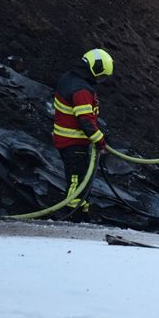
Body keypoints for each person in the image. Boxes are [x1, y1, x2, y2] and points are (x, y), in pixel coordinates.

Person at [52, 48, 113, 217]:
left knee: (81, 178)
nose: (99, 80)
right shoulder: (81, 90)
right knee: (76, 179)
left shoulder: (69, 78)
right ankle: (72, 213)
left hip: (68, 140)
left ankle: (81, 211)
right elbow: (85, 120)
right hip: (73, 142)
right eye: (101, 75)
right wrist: (100, 141)